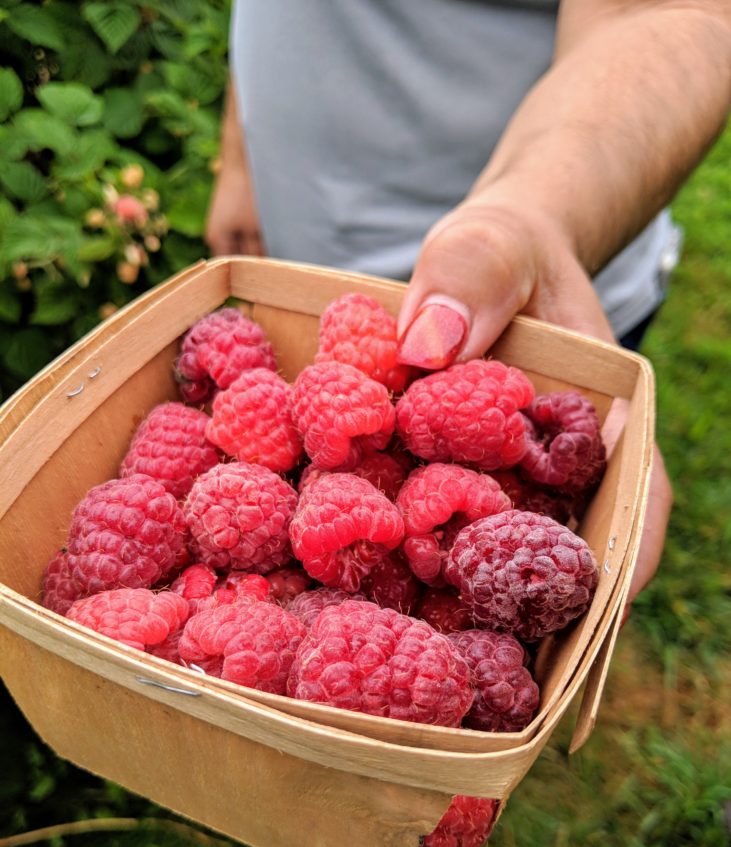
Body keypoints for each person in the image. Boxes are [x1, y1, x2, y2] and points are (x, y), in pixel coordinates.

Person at [206, 0, 731, 611]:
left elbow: (670, 15)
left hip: (533, 293)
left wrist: (524, 219)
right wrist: (241, 155)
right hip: (305, 260)